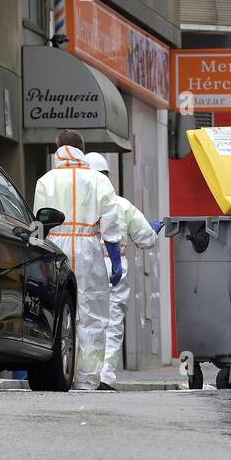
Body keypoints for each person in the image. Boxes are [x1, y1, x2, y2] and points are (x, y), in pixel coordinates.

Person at [33, 129, 122, 391]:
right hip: (89, 250)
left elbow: (40, 223)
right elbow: (111, 226)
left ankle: (60, 372)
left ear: (57, 148)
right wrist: (115, 262)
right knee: (93, 316)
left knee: (58, 310)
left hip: (56, 248)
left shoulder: (46, 181)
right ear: (82, 149)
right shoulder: (99, 181)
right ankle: (87, 380)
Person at [84, 152, 164, 390]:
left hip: (86, 269)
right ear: (107, 176)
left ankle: (83, 374)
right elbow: (146, 240)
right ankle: (105, 376)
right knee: (112, 324)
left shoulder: (79, 206)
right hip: (113, 271)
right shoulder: (121, 205)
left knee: (84, 322)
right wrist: (153, 229)